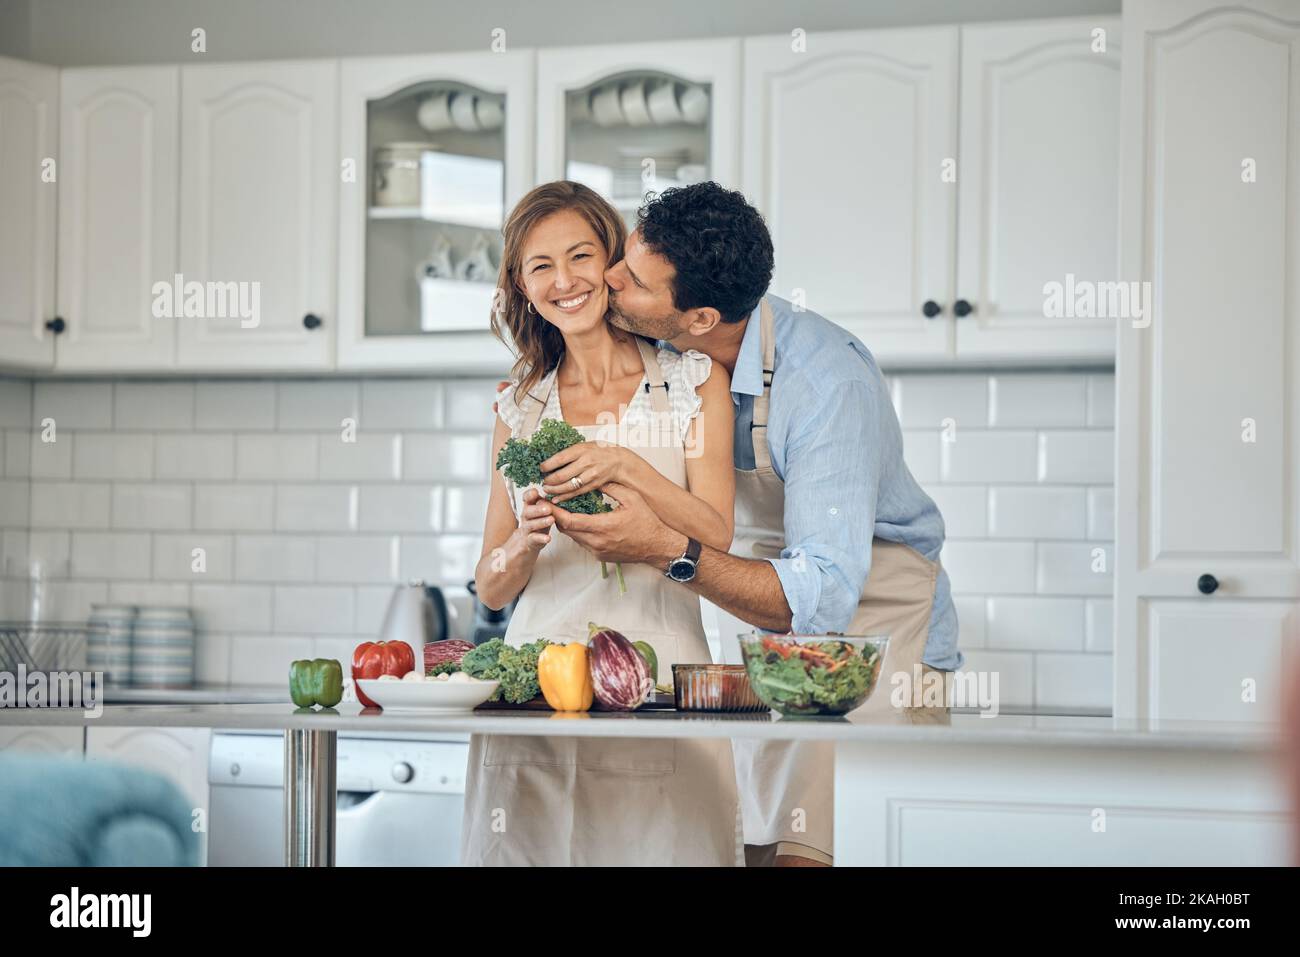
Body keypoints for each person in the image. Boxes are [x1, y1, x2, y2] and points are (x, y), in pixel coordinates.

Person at [543, 182, 962, 867]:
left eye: (633, 280)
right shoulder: (673, 360)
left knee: (820, 852)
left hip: (873, 634)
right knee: (756, 847)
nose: (608, 280)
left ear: (701, 315)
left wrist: (666, 550)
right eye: (623, 257)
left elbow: (823, 595)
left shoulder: (827, 385)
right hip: (763, 633)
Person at [461, 181, 740, 866]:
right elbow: (490, 588)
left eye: (580, 256)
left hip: (658, 682)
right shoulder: (520, 405)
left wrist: (625, 466)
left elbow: (717, 531)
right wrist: (522, 544)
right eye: (541, 267)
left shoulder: (692, 381)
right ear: (522, 287)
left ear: (613, 263)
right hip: (535, 690)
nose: (565, 281)